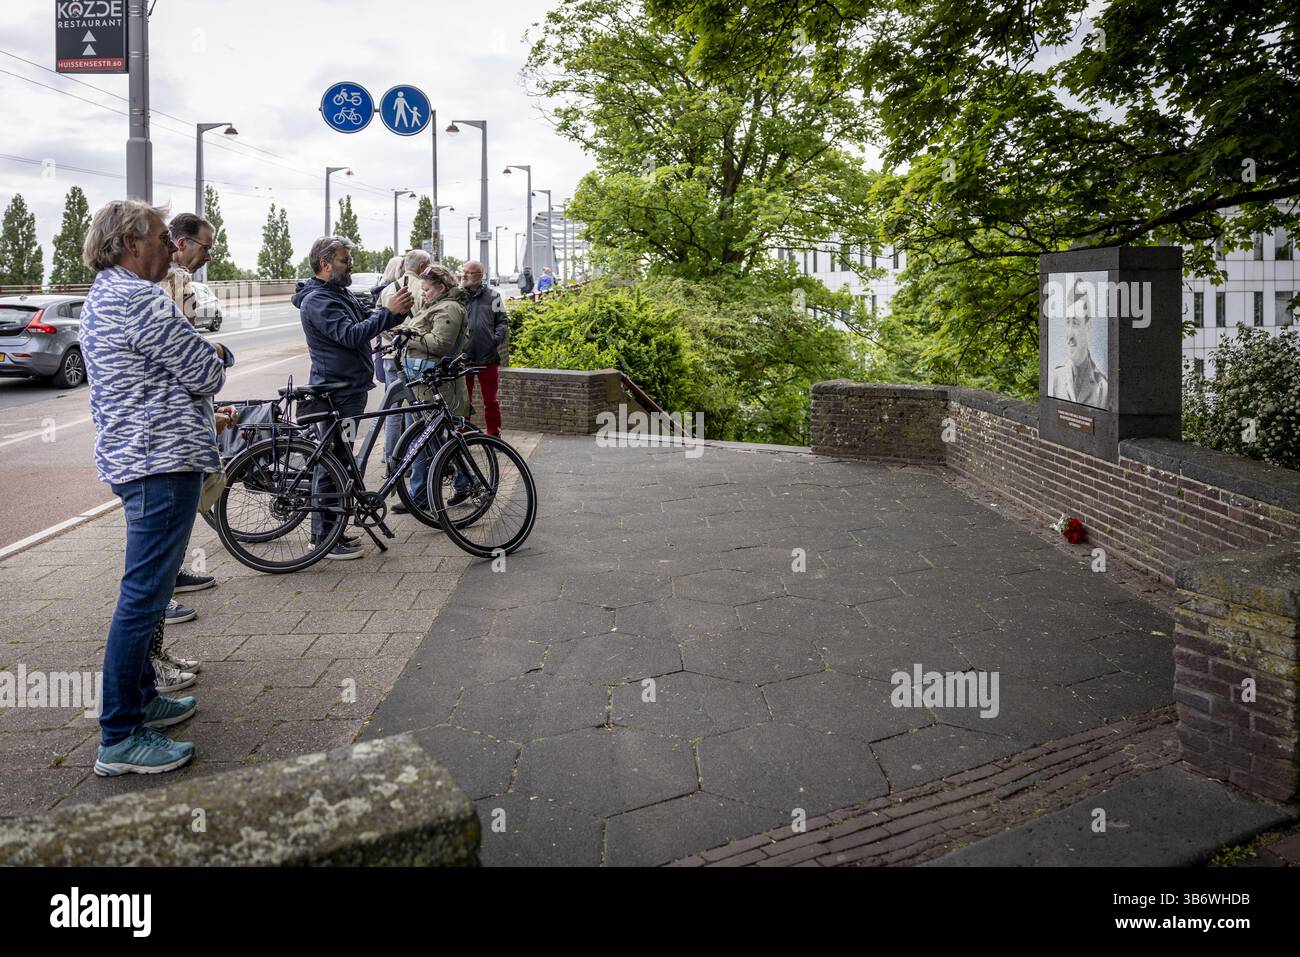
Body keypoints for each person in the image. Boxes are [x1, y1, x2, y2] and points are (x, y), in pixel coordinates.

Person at [79, 199, 234, 776]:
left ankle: (143, 697)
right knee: (143, 595)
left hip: (137, 455)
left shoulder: (104, 295)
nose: (172, 246)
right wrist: (212, 353)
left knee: (147, 589)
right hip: (160, 459)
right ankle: (119, 737)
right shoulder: (141, 298)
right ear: (126, 244)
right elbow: (207, 370)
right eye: (159, 236)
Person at [292, 236, 413, 558]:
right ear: (325, 264)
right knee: (332, 462)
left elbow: (367, 321)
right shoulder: (319, 300)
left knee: (341, 462)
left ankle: (334, 532)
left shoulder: (338, 293)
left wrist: (396, 313)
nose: (351, 265)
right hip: (336, 392)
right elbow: (350, 336)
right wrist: (386, 313)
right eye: (345, 260)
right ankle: (323, 539)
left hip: (348, 389)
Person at [391, 264, 469, 514]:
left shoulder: (450, 308)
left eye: (426, 289)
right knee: (424, 439)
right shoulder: (435, 306)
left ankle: (462, 482)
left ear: (441, 288)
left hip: (433, 383)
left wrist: (406, 334)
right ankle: (423, 494)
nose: (422, 294)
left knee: (429, 440)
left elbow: (440, 344)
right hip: (419, 382)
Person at [459, 260, 509, 436]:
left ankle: (493, 434)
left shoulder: (494, 296)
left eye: (469, 273)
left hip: (487, 356)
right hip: (463, 357)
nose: (464, 275)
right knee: (463, 400)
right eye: (463, 271)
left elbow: (502, 321)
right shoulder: (458, 296)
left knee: (491, 400)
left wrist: (494, 340)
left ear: (480, 276)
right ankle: (463, 435)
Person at [1049, 278, 1109, 408]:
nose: (1069, 335)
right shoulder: (1058, 377)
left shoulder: (1102, 388)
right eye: (1067, 322)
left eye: (1075, 323)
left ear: (1088, 326)